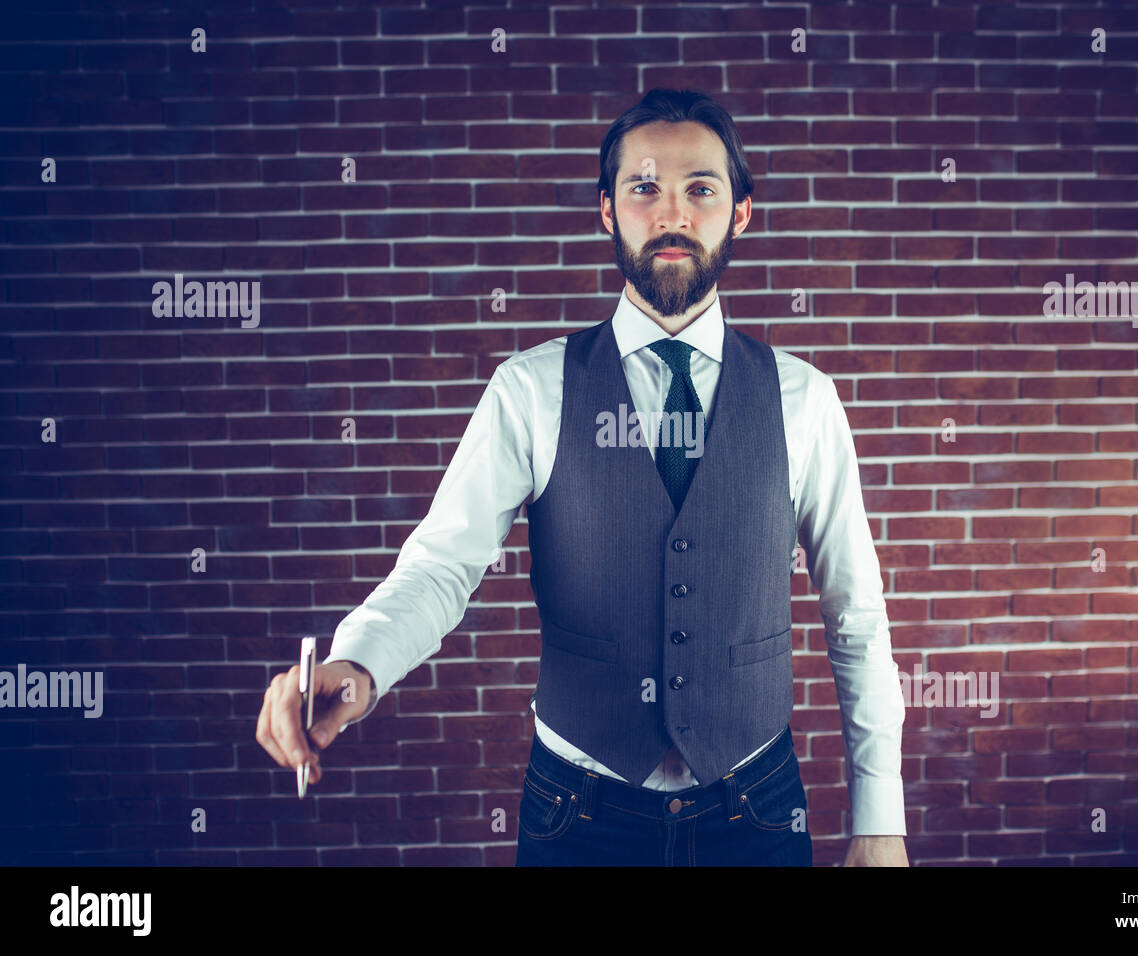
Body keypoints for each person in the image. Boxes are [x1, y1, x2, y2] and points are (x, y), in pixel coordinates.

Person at [256, 88, 908, 867]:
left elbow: (856, 617)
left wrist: (880, 817)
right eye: (644, 188)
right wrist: (356, 663)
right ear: (607, 211)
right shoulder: (531, 389)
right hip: (580, 817)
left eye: (700, 188)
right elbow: (439, 566)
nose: (672, 213)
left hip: (756, 813)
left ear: (741, 214)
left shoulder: (804, 398)